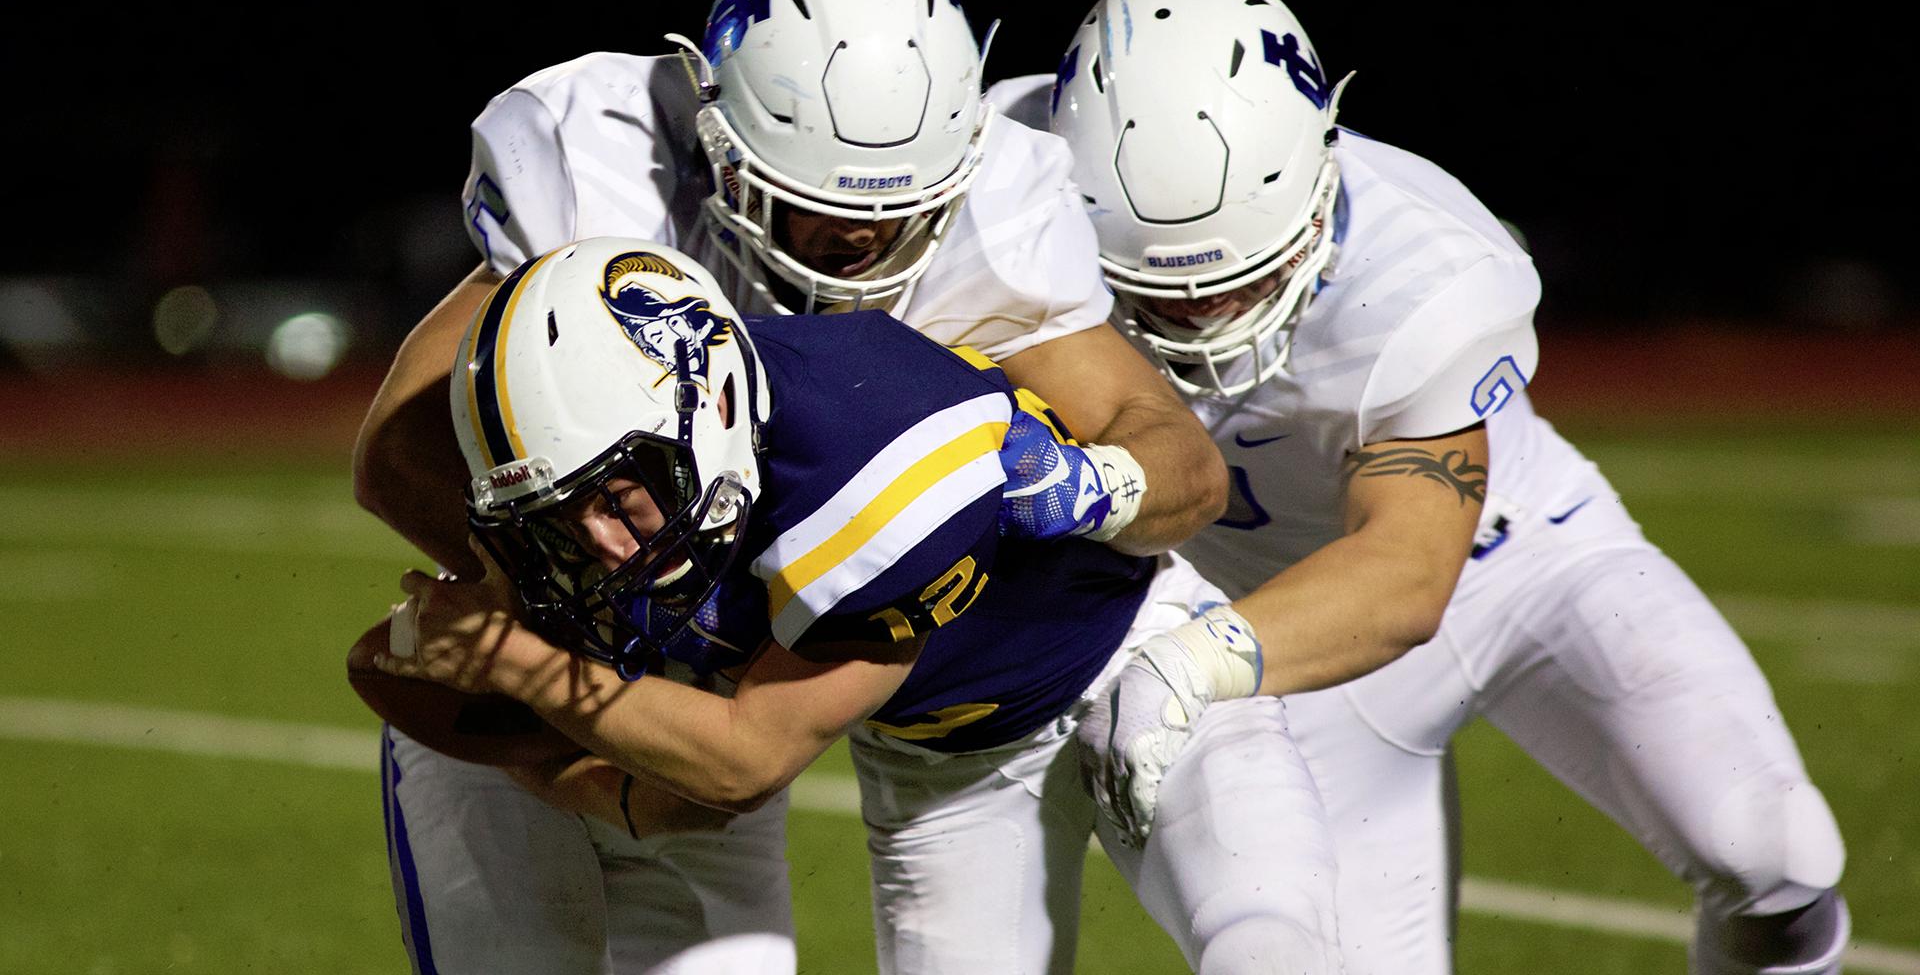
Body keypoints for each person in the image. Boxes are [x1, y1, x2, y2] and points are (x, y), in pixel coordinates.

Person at [350, 0, 1257, 974]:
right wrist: (575, 617)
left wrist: (1086, 486)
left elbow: (1181, 462)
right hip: (619, 650)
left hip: (720, 698)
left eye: (896, 215)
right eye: (810, 211)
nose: (855, 246)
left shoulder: (989, 231)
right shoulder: (605, 185)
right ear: (718, 139)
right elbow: (398, 454)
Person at [1029, 0, 1850, 975]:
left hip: (1515, 567)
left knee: (1776, 849)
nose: (1206, 318)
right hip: (1296, 656)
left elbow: (1407, 575)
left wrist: (1188, 665)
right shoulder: (1010, 179)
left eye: (1242, 276)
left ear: (1318, 171)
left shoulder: (1428, 270)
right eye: (1159, 293)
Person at [373, 237, 1342, 975]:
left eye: (619, 496)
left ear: (707, 407)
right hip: (946, 770)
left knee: (1263, 937)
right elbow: (687, 789)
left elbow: (747, 755)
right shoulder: (668, 490)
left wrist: (518, 666)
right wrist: (605, 788)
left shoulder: (868, 448)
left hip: (1137, 656)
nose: (606, 548)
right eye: (560, 519)